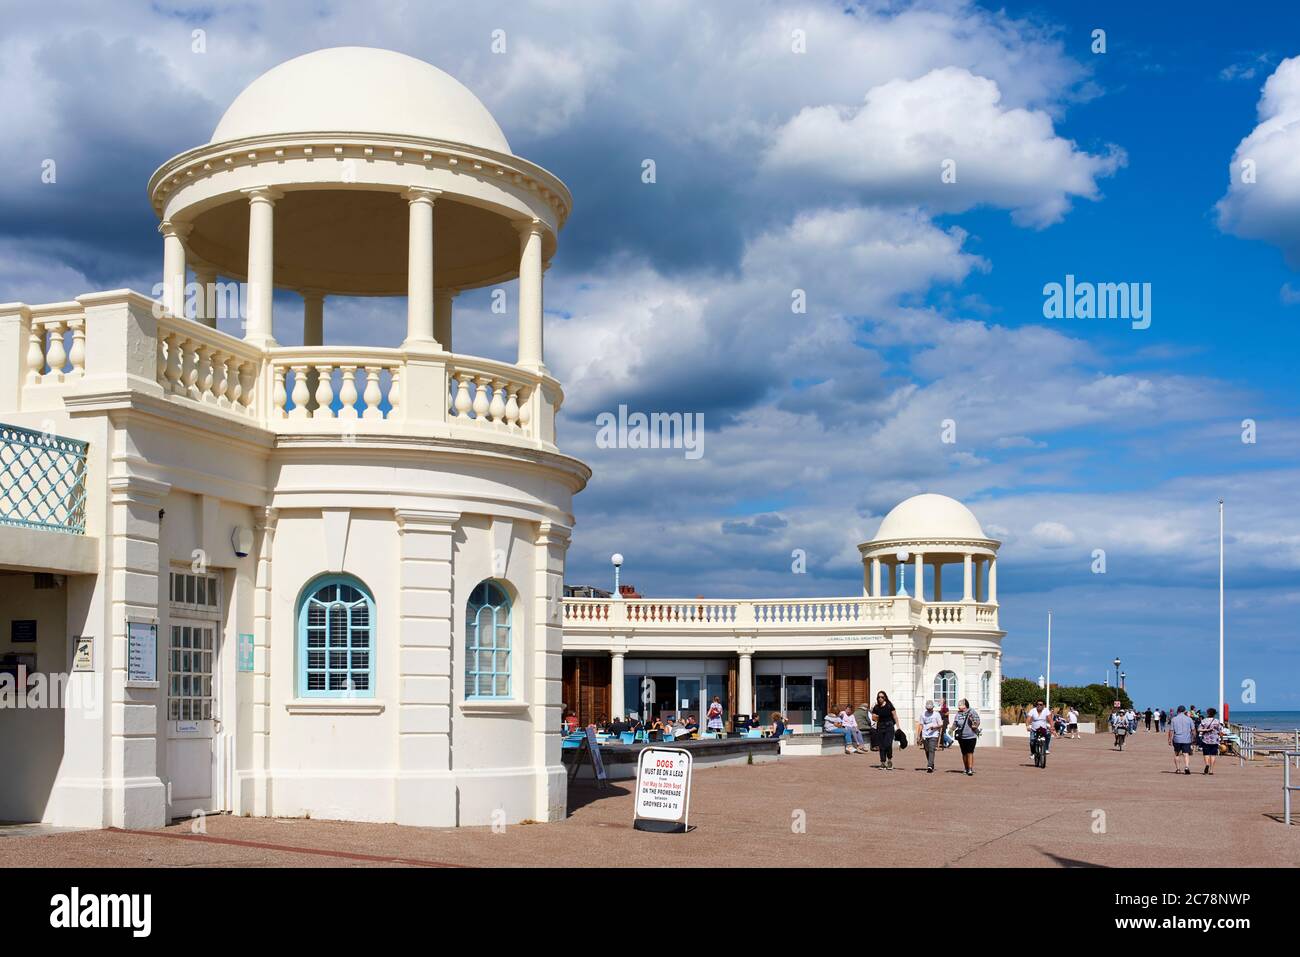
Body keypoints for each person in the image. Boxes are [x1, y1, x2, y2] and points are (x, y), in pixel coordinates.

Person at [951, 698, 981, 775]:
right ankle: (966, 768)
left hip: (971, 736)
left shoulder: (972, 712)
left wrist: (974, 723)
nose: (958, 706)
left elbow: (977, 721)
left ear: (965, 705)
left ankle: (970, 769)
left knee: (970, 752)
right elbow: (955, 723)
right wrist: (951, 730)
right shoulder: (958, 714)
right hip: (961, 737)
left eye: (960, 705)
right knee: (964, 753)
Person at [872, 691, 899, 770]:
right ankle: (883, 762)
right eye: (879, 697)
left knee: (888, 744)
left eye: (882, 697)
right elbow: (873, 719)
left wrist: (898, 727)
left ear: (885, 697)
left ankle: (889, 760)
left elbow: (895, 716)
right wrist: (874, 716)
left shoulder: (889, 705)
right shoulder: (876, 707)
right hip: (880, 726)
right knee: (881, 745)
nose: (880, 698)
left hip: (889, 727)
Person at [917, 700, 943, 772]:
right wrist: (918, 735)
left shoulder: (936, 714)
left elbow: (941, 724)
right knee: (927, 750)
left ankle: (929, 766)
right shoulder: (923, 714)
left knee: (932, 749)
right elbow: (921, 725)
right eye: (928, 708)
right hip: (925, 735)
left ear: (933, 708)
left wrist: (934, 727)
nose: (929, 710)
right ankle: (931, 762)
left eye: (930, 708)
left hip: (934, 734)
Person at [1169, 705, 1195, 775]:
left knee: (1177, 754)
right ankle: (1186, 767)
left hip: (1177, 739)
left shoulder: (1174, 719)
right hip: (1186, 739)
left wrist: (1169, 739)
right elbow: (1193, 730)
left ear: (1178, 711)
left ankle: (1178, 769)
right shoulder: (1189, 719)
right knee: (1186, 754)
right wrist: (1194, 738)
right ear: (1184, 711)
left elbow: (1171, 730)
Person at [1198, 707, 1223, 775]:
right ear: (1214, 714)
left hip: (1205, 740)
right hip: (1215, 740)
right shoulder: (1217, 721)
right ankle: (1211, 770)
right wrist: (1222, 738)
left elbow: (1199, 729)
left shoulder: (1204, 721)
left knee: (1206, 754)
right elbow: (1220, 731)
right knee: (1213, 755)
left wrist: (1206, 730)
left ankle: (1207, 764)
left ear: (1207, 713)